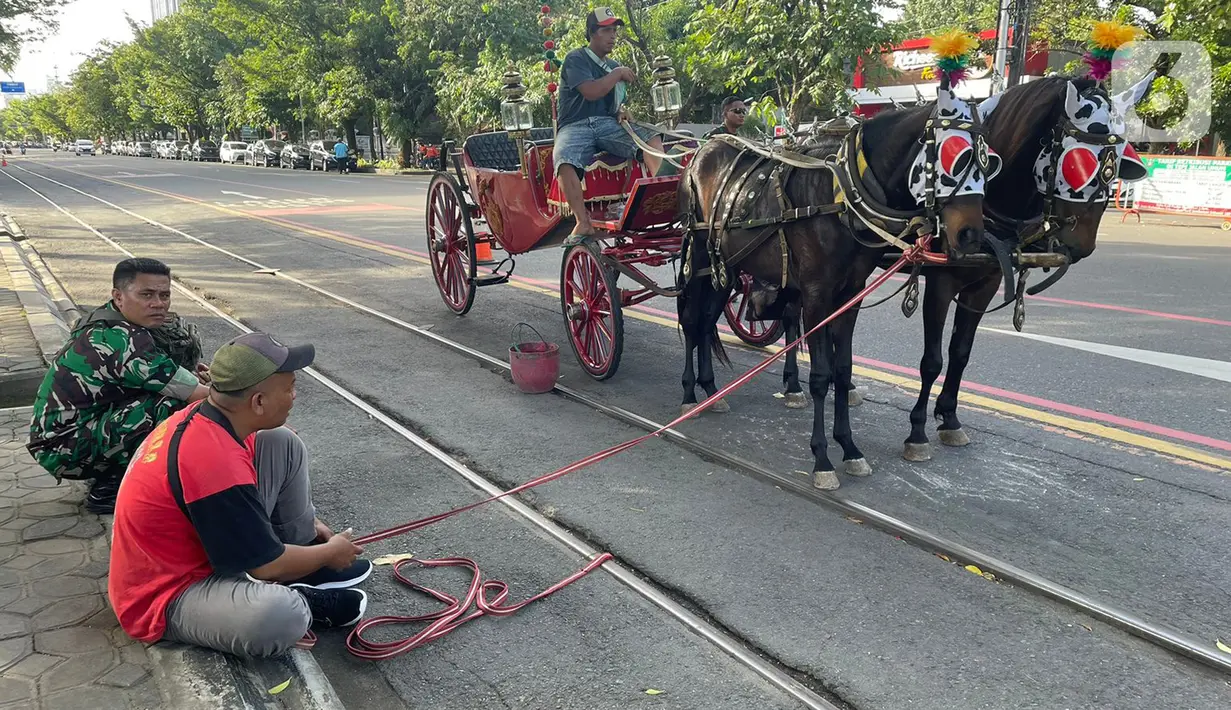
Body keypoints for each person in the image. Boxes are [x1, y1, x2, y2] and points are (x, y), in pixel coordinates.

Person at [108, 333, 371, 658]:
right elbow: (265, 565)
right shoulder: (213, 461)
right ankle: (298, 594)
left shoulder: (214, 419)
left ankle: (300, 557)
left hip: (197, 548)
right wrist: (330, 553)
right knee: (278, 615)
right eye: (289, 388)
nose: (294, 396)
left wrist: (310, 526)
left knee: (281, 441)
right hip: (165, 594)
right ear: (258, 402)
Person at [27, 258, 210, 514]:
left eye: (164, 295)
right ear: (119, 296)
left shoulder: (108, 318)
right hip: (63, 450)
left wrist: (189, 374)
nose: (158, 304)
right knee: (176, 405)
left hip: (66, 436)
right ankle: (109, 487)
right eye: (146, 295)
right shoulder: (122, 340)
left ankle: (110, 467)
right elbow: (199, 395)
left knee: (167, 395)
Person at [554, 7, 666, 244]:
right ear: (592, 33)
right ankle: (582, 222)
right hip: (575, 126)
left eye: (614, 30)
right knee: (564, 158)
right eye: (607, 30)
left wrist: (622, 111)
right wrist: (617, 74)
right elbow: (592, 92)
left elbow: (613, 103)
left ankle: (666, 199)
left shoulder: (613, 65)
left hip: (606, 124)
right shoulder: (576, 58)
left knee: (651, 135)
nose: (613, 35)